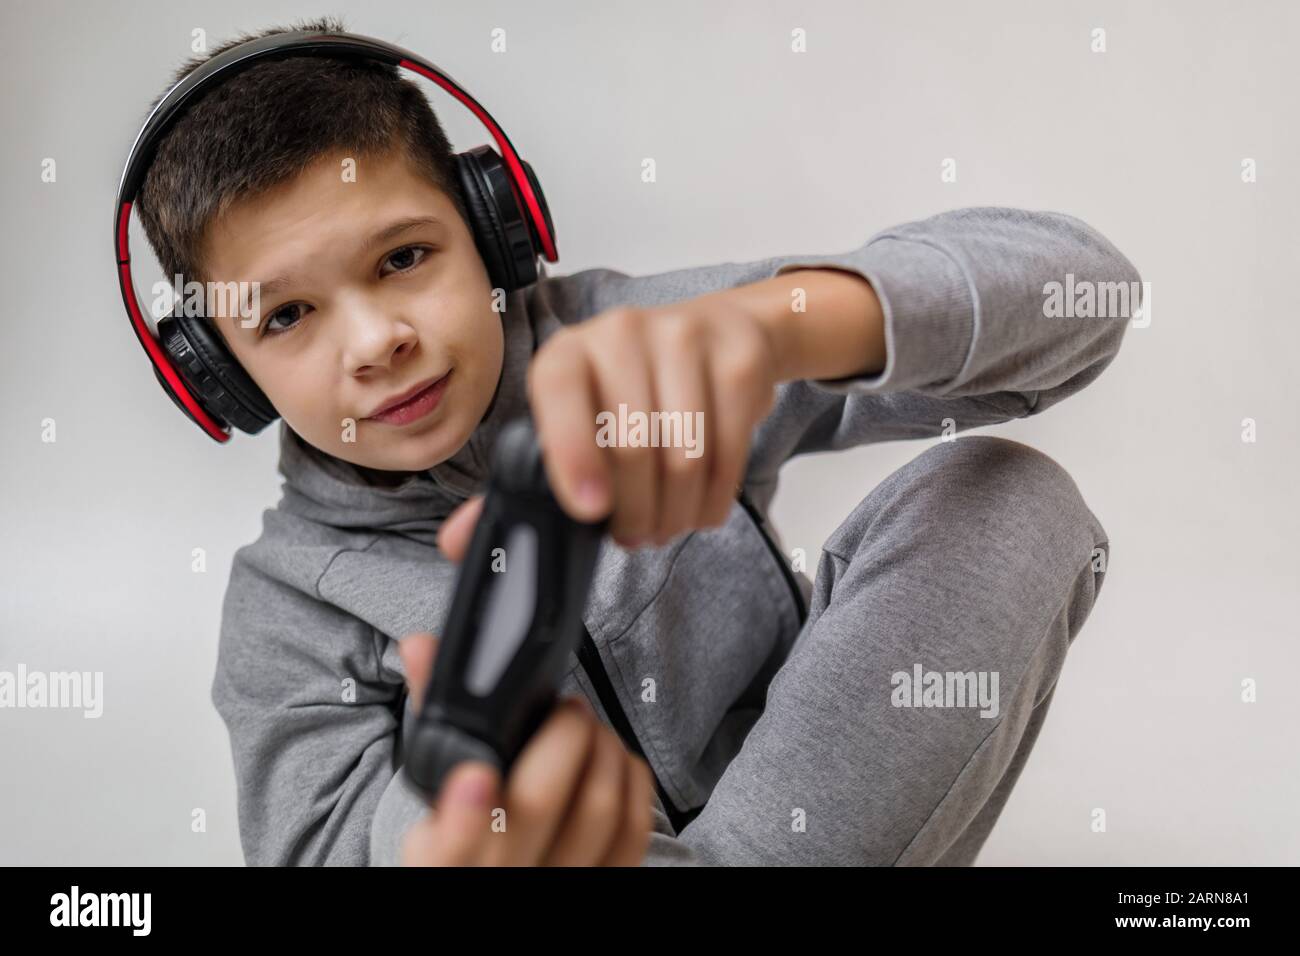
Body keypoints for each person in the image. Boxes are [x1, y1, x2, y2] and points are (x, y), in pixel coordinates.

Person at [134, 17, 1141, 865]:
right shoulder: (279, 611)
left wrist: (780, 323)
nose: (375, 340)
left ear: (493, 228)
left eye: (402, 256)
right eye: (285, 317)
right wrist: (455, 817)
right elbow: (318, 847)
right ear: (218, 372)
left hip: (809, 828)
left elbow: (1084, 293)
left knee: (1006, 495)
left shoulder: (632, 343)